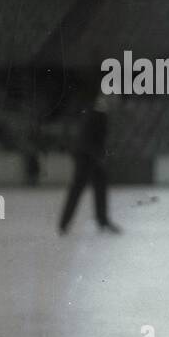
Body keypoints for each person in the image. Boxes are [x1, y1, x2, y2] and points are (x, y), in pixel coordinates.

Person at [58, 90, 122, 235]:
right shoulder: (98, 114)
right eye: (115, 98)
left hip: (89, 155)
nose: (116, 102)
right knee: (78, 188)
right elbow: (87, 139)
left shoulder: (98, 113)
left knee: (96, 185)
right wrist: (99, 157)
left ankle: (100, 220)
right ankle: (65, 223)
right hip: (86, 157)